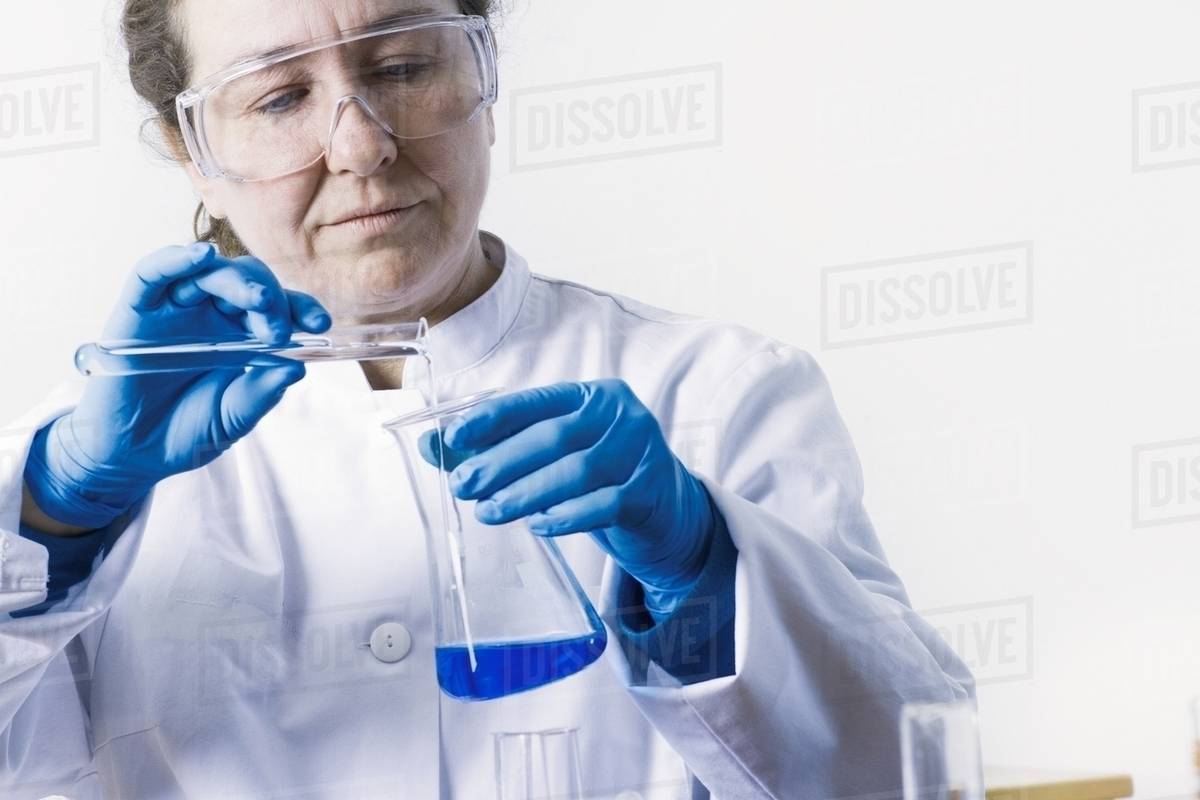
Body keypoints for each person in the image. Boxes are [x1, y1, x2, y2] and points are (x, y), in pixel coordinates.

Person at [0, 1, 976, 798]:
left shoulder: (717, 393)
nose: (362, 145)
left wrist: (706, 568)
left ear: (485, 83)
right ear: (191, 148)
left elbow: (908, 768)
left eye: (404, 66)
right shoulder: (97, 460)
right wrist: (56, 510)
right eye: (280, 95)